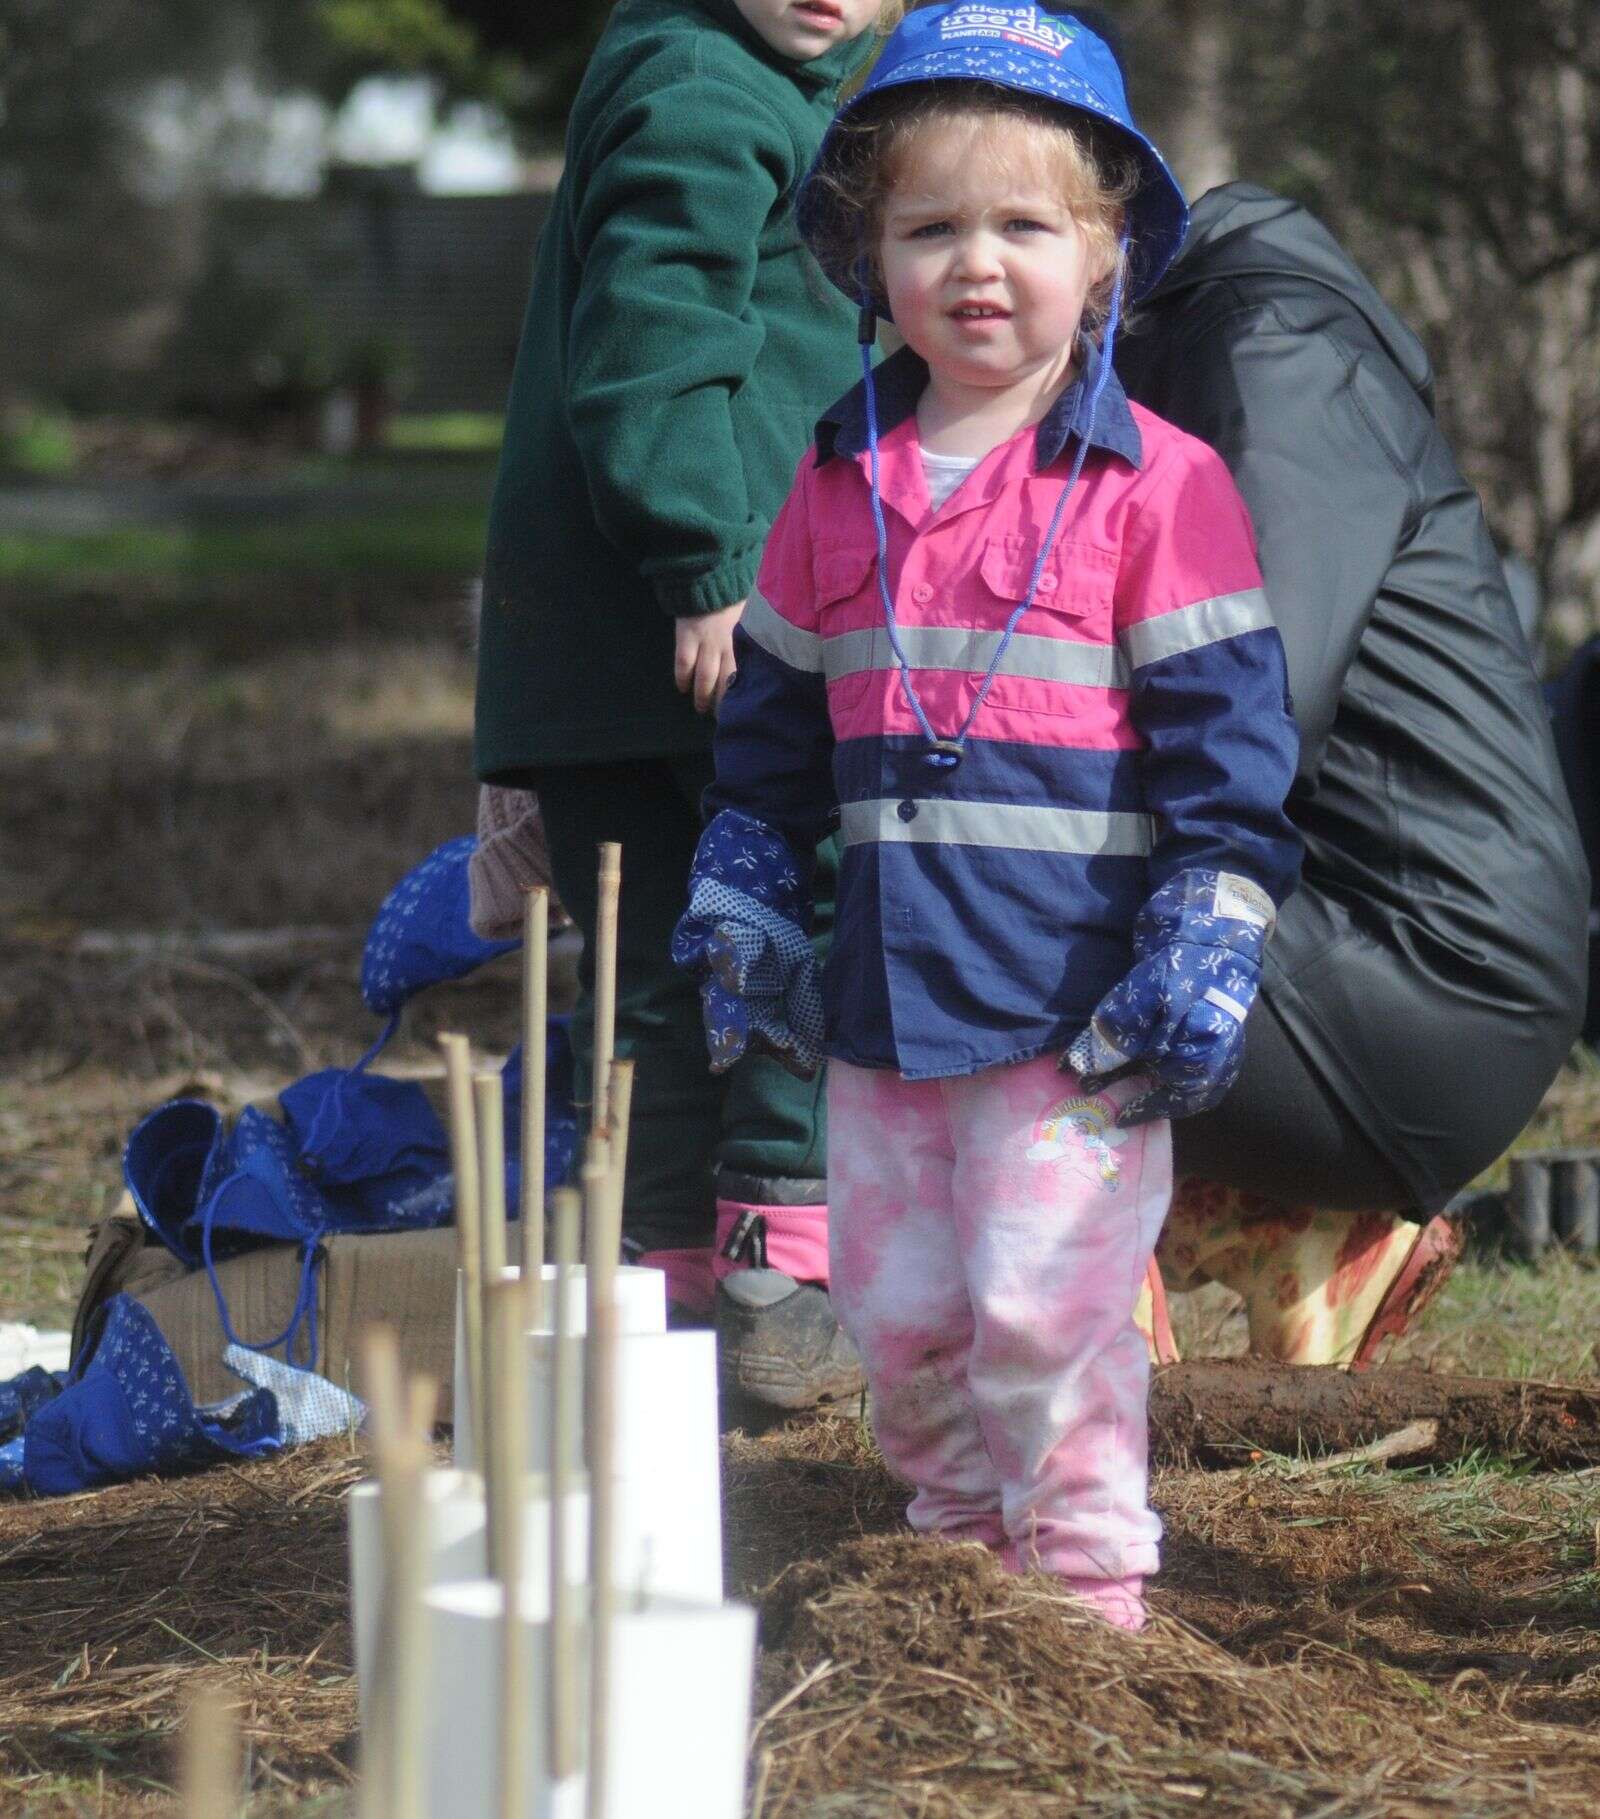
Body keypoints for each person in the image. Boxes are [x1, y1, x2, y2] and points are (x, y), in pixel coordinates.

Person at [675, 2, 1301, 1626]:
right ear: (865, 255)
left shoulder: (1160, 486)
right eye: (930, 227)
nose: (977, 263)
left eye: (1025, 225)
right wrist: (748, 870)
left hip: (1073, 1018)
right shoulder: (835, 482)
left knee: (1046, 1310)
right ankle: (956, 1571)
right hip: (883, 1013)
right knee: (901, 1314)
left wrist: (1213, 916)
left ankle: (1083, 1599)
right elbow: (773, 728)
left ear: (1105, 254)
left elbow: (1231, 750)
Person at [473, 1, 898, 1407]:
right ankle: (778, 1259)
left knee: (650, 965)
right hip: (706, 618)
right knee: (794, 904)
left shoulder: (711, 65)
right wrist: (709, 564)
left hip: (584, 659)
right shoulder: (708, 88)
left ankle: (662, 1281)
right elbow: (654, 339)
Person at [1118, 182, 1589, 1366]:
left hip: (1427, 975)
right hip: (1387, 952)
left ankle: (1065, 1297)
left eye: (1015, 220)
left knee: (985, 917)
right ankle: (1293, 1228)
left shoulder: (1269, 350)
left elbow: (1260, 692)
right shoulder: (1218, 341)